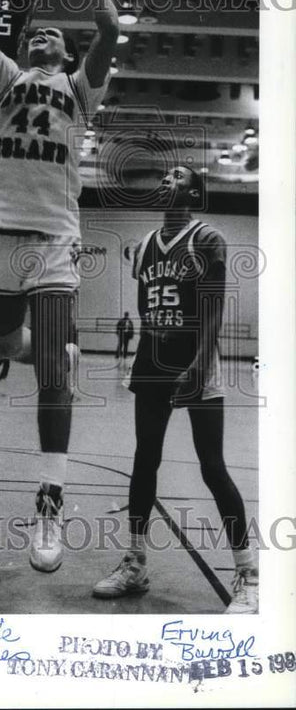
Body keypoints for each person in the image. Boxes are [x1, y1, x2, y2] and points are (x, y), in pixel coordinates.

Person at [0, 0, 118, 572]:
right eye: (33, 33)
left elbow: (110, 23)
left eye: (52, 32)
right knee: (3, 343)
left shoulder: (79, 91)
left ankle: (48, 502)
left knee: (50, 370)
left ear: (66, 54)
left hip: (52, 239)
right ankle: (50, 352)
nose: (40, 33)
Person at [92, 166, 258, 613]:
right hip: (152, 360)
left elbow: (212, 308)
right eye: (165, 175)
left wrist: (199, 366)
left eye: (178, 176)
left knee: (212, 467)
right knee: (144, 460)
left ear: (194, 192)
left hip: (196, 360)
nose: (167, 179)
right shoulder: (145, 245)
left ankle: (248, 573)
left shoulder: (207, 239)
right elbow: (149, 307)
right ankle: (135, 563)